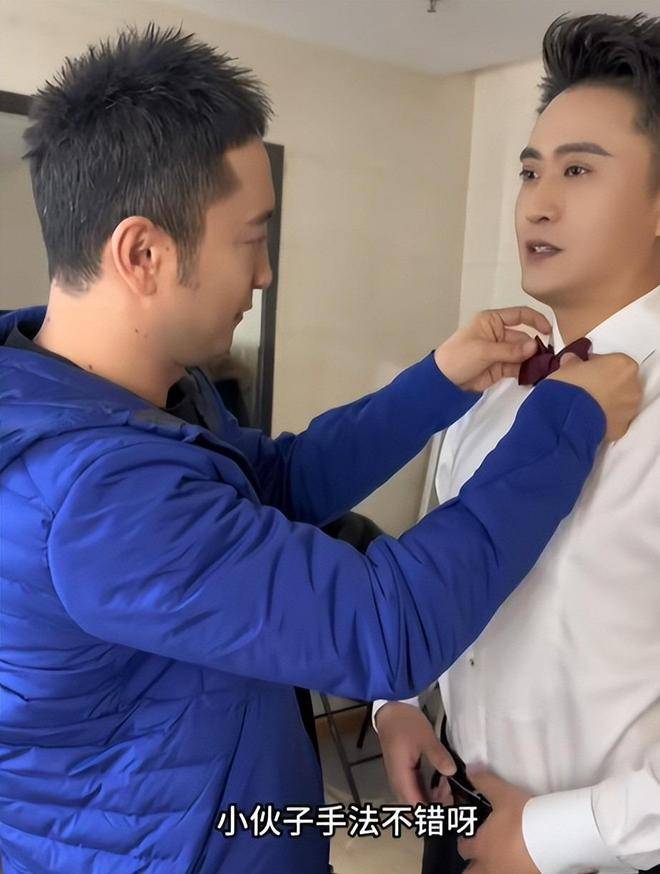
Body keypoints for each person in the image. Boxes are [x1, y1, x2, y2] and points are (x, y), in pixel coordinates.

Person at [0, 24, 640, 874]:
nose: (265, 273)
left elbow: (280, 480)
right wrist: (565, 424)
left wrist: (436, 382)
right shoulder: (93, 492)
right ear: (143, 253)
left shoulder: (133, 401)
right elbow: (386, 624)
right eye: (251, 237)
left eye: (578, 170)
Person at [374, 12, 660, 874]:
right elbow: (438, 567)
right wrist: (398, 700)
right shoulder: (496, 383)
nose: (536, 202)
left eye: (578, 169)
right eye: (531, 171)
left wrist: (548, 835)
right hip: (457, 819)